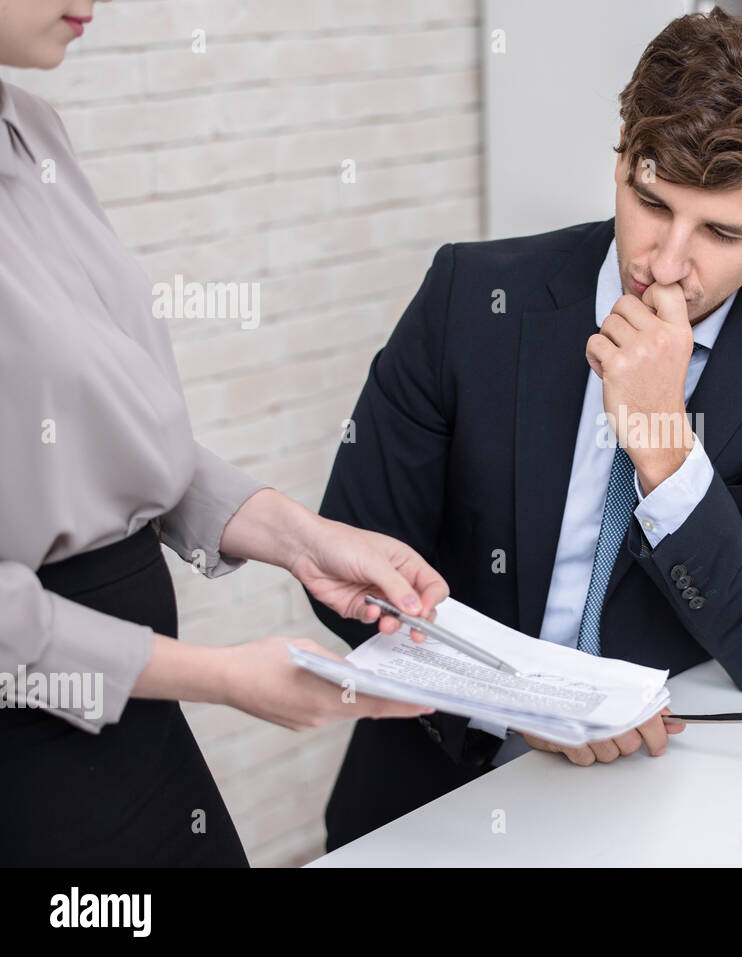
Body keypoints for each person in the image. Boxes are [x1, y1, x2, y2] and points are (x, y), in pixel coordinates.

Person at [308, 6, 742, 851]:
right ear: (624, 150)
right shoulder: (470, 297)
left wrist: (663, 446)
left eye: (723, 232)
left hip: (664, 803)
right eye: (651, 200)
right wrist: (518, 699)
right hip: (436, 789)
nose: (665, 262)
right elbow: (347, 581)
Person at [0, 1, 451, 866]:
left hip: (138, 731)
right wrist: (222, 676)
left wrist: (300, 536)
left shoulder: (34, 132)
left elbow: (105, 432)